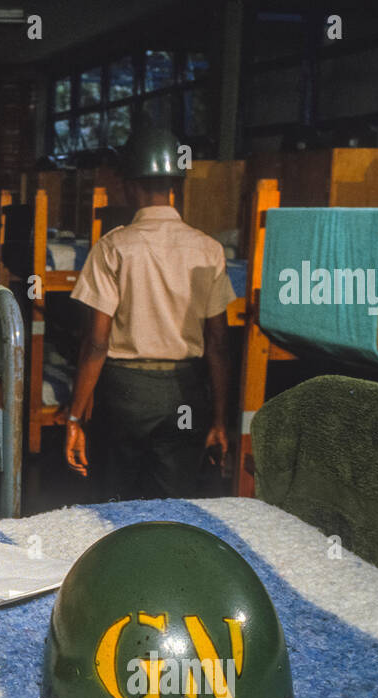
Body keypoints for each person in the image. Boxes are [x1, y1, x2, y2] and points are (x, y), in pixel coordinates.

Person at [63, 125, 233, 500]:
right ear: (174, 186)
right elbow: (218, 343)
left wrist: (74, 417)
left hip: (125, 394)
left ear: (130, 186)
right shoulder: (208, 249)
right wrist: (220, 420)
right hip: (187, 393)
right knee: (174, 508)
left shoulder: (112, 247)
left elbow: (96, 342)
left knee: (117, 505)